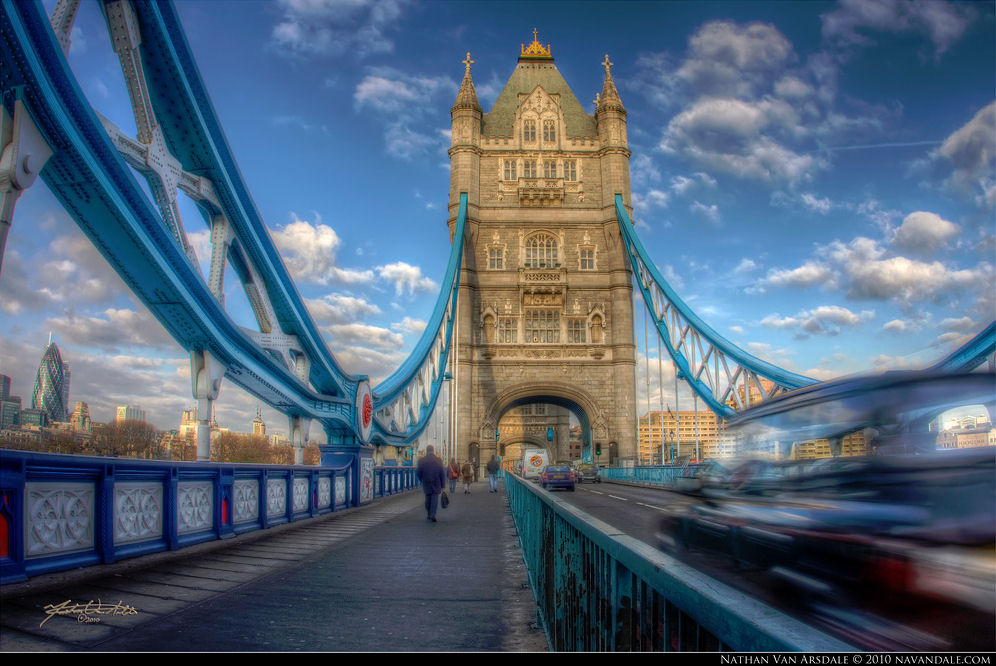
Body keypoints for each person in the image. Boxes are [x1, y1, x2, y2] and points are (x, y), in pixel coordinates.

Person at [416, 445, 447, 522]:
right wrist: (443, 486)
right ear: (433, 451)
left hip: (426, 482)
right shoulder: (438, 460)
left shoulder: (422, 460)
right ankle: (432, 514)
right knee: (434, 499)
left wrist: (422, 479)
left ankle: (429, 512)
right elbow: (442, 474)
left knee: (428, 498)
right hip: (436, 482)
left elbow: (418, 472)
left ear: (427, 451)